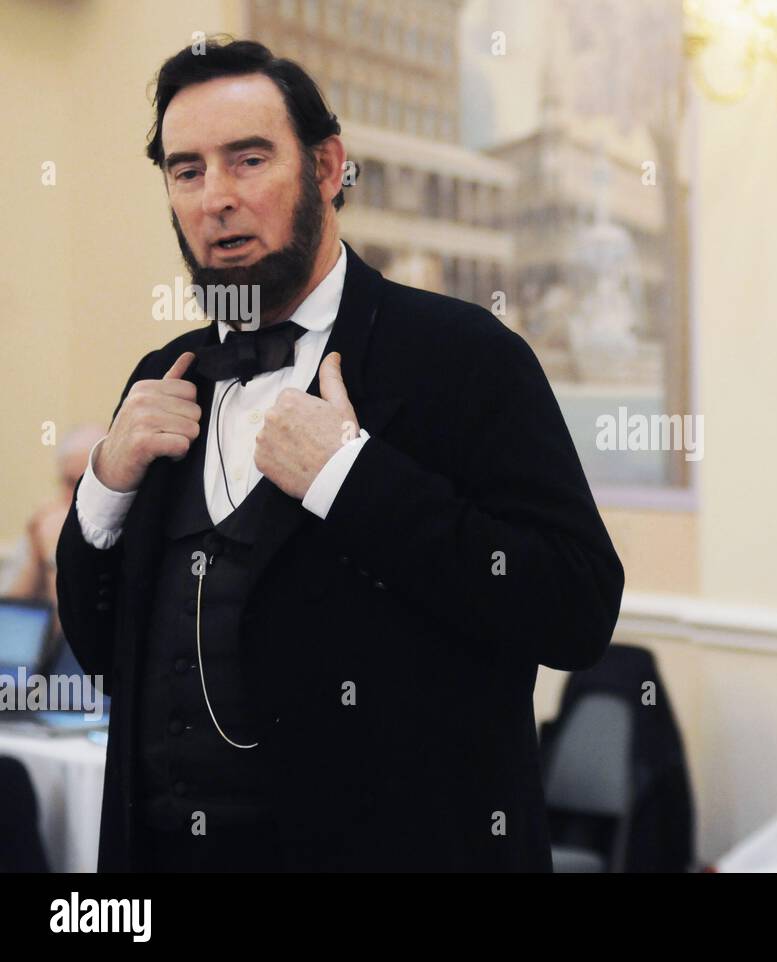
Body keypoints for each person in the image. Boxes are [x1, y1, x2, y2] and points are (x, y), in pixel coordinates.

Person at [55, 39, 624, 872]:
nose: (216, 198)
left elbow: (576, 607)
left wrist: (352, 478)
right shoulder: (160, 379)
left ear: (328, 168)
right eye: (187, 171)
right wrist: (104, 489)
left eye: (248, 160)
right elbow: (107, 650)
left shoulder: (466, 356)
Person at [3, 424, 104, 643]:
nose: (76, 495)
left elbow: (75, 641)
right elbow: (7, 626)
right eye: (69, 482)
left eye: (85, 482)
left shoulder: (114, 533)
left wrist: (55, 559)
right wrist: (34, 554)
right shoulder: (48, 521)